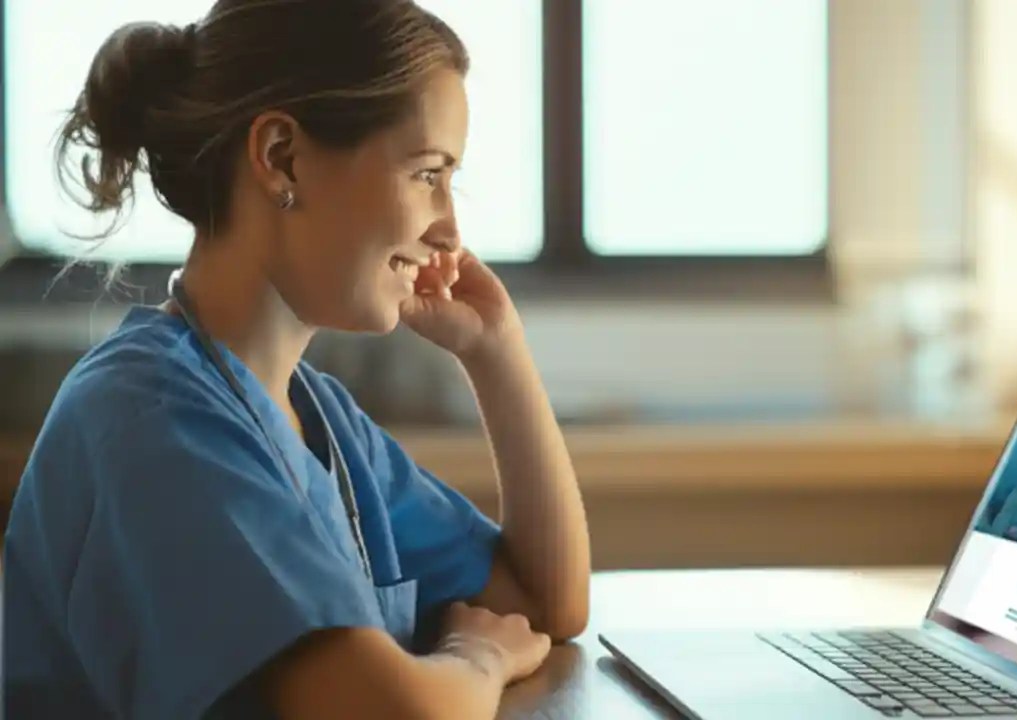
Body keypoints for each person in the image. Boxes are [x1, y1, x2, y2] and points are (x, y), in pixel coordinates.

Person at [2, 1, 591, 718]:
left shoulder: (320, 419)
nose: (450, 230)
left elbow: (543, 600)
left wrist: (497, 352)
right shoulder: (148, 418)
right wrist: (479, 656)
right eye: (426, 175)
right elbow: (387, 711)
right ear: (282, 157)